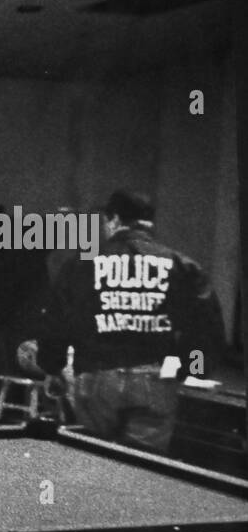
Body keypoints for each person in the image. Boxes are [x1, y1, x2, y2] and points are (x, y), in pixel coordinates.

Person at [27, 189, 225, 453]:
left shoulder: (81, 266)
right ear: (149, 223)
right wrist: (192, 368)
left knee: (96, 465)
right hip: (155, 379)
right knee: (142, 472)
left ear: (114, 219)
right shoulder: (182, 266)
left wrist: (53, 366)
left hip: (96, 379)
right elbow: (206, 329)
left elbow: (55, 324)